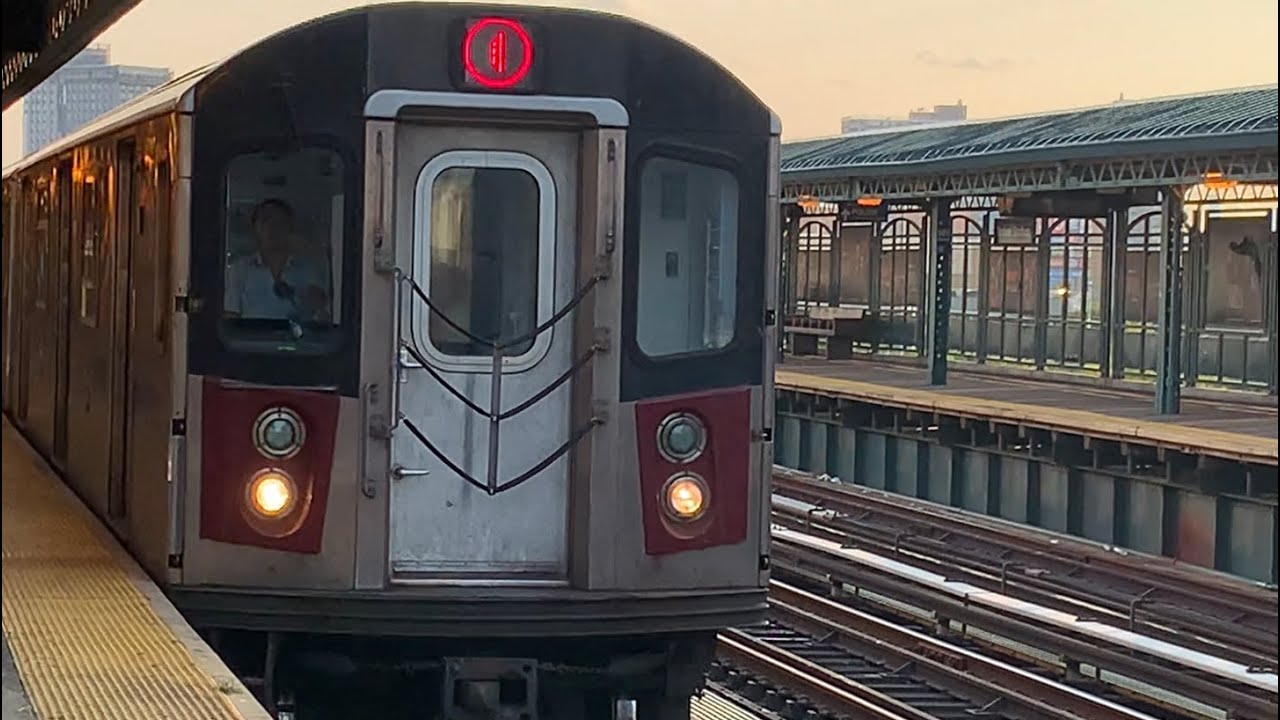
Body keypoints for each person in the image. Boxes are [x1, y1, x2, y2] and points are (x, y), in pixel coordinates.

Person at [224, 198, 331, 323]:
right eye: (265, 220)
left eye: (280, 222)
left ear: (290, 228)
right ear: (255, 227)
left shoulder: (309, 269)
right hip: (252, 341)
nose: (272, 227)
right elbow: (231, 316)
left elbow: (322, 316)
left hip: (298, 340)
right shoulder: (240, 269)